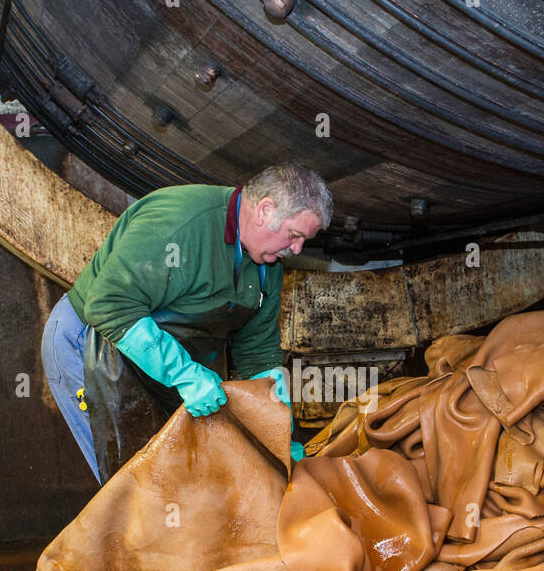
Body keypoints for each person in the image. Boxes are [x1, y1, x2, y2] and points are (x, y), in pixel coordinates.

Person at [42, 163, 332, 483]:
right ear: (265, 209)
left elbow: (258, 350)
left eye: (303, 241)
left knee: (181, 478)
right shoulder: (180, 224)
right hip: (92, 344)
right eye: (294, 236)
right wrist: (184, 374)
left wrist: (280, 430)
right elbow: (110, 306)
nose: (297, 249)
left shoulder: (267, 265)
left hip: (164, 361)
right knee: (133, 484)